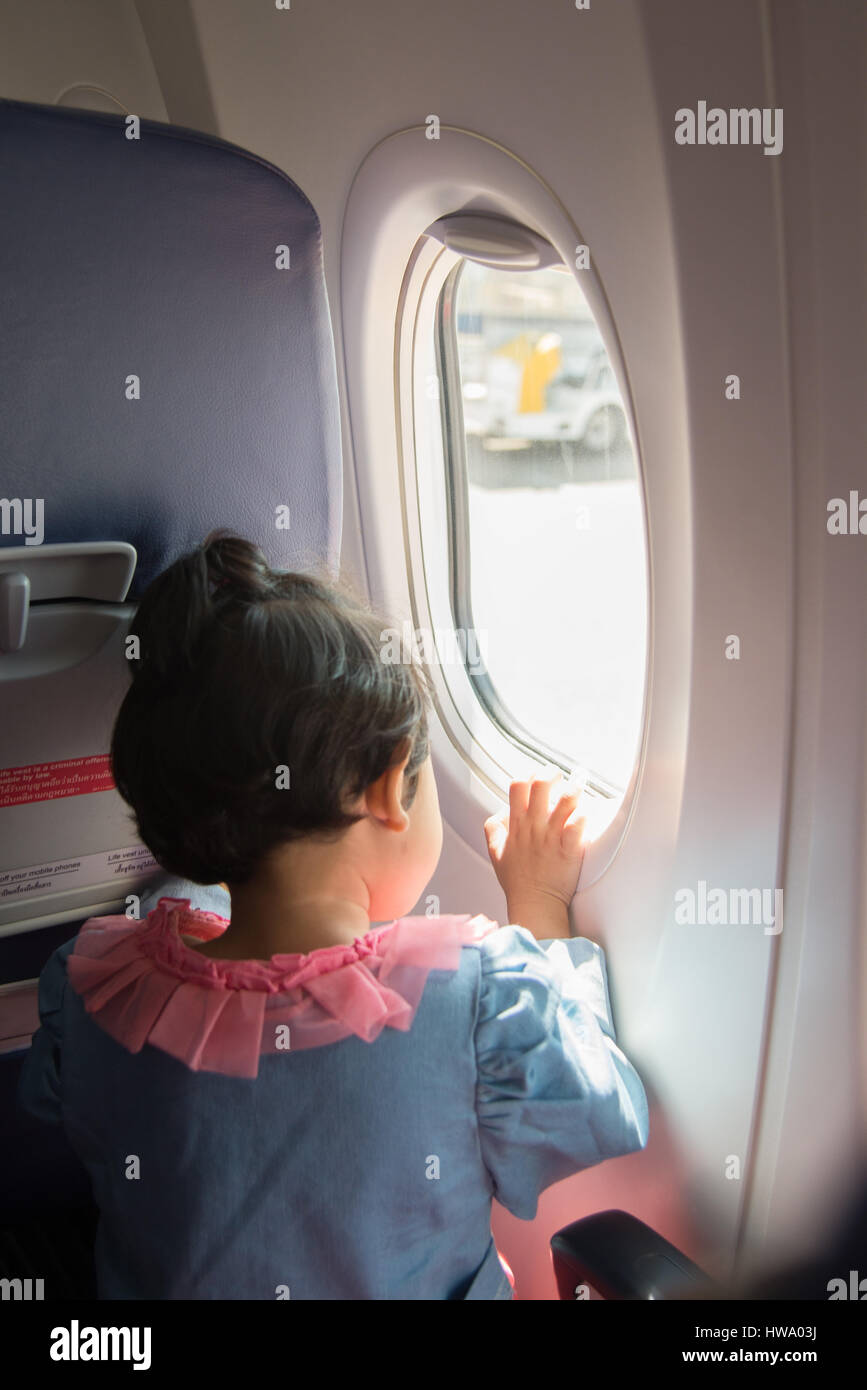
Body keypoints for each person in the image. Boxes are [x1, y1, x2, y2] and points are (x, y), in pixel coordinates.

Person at [17, 530, 648, 1300]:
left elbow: (62, 1100)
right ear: (388, 791)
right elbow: (599, 1109)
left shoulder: (98, 992)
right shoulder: (475, 1002)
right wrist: (540, 902)